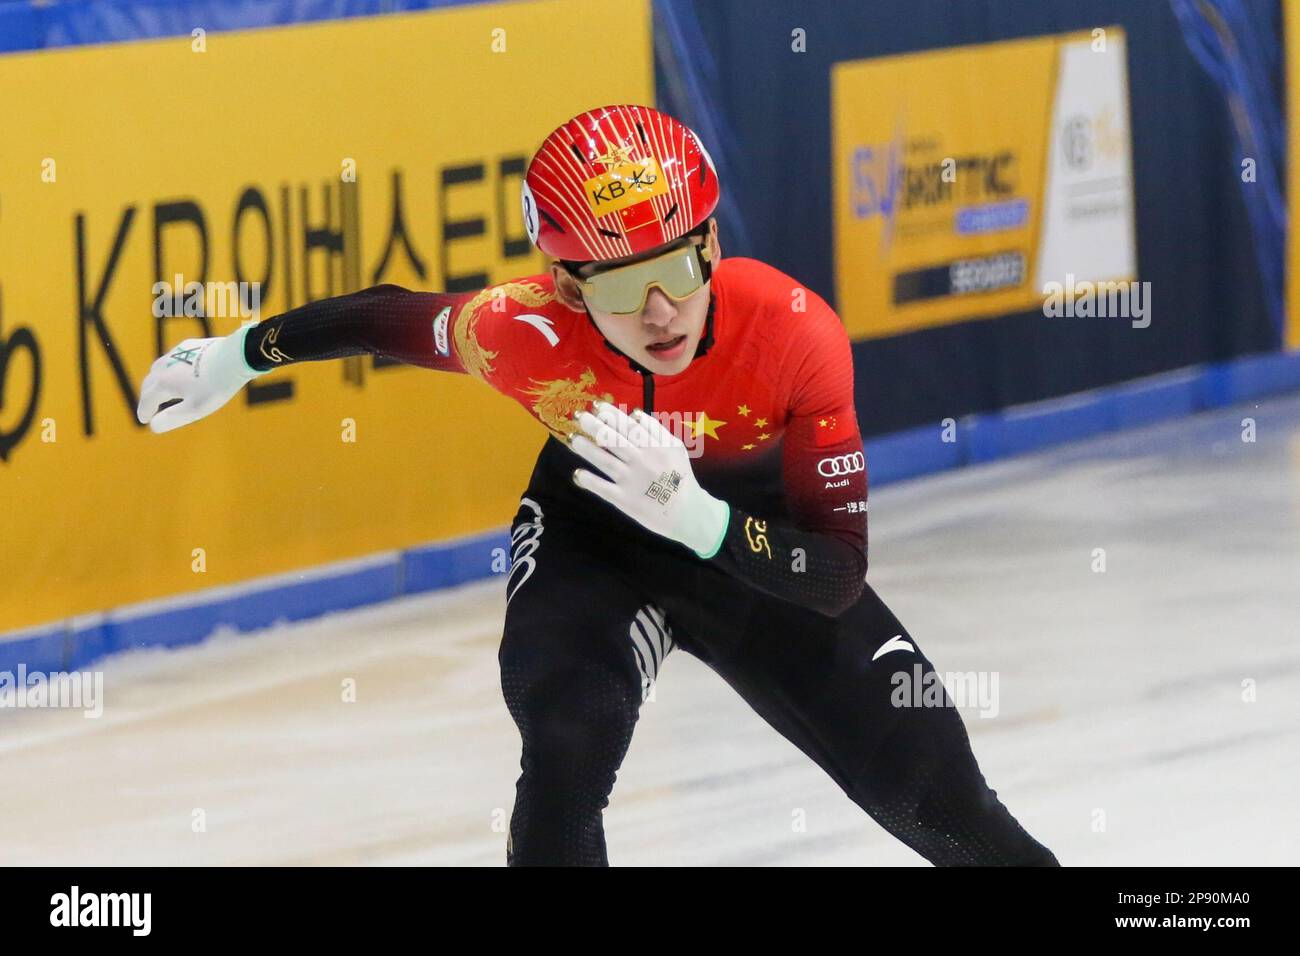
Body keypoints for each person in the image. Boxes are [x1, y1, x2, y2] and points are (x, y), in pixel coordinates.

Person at [137, 104, 1058, 867]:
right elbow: (385, 318)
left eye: (677, 268)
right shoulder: (522, 334)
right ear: (568, 289)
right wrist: (235, 357)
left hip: (755, 551)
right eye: (623, 286)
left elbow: (834, 576)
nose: (660, 311)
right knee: (567, 745)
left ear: (711, 243)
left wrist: (700, 519)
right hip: (599, 540)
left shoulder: (791, 333)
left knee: (947, 804)